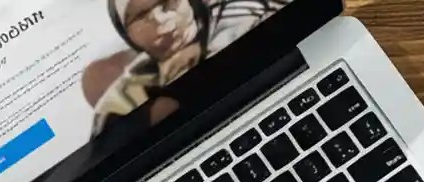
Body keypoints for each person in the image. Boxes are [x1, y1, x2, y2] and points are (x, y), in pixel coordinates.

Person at [83, 0, 287, 137]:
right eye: (141, 15)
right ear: (126, 34)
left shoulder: (242, 12)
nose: (161, 19)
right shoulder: (123, 96)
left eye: (168, 1)